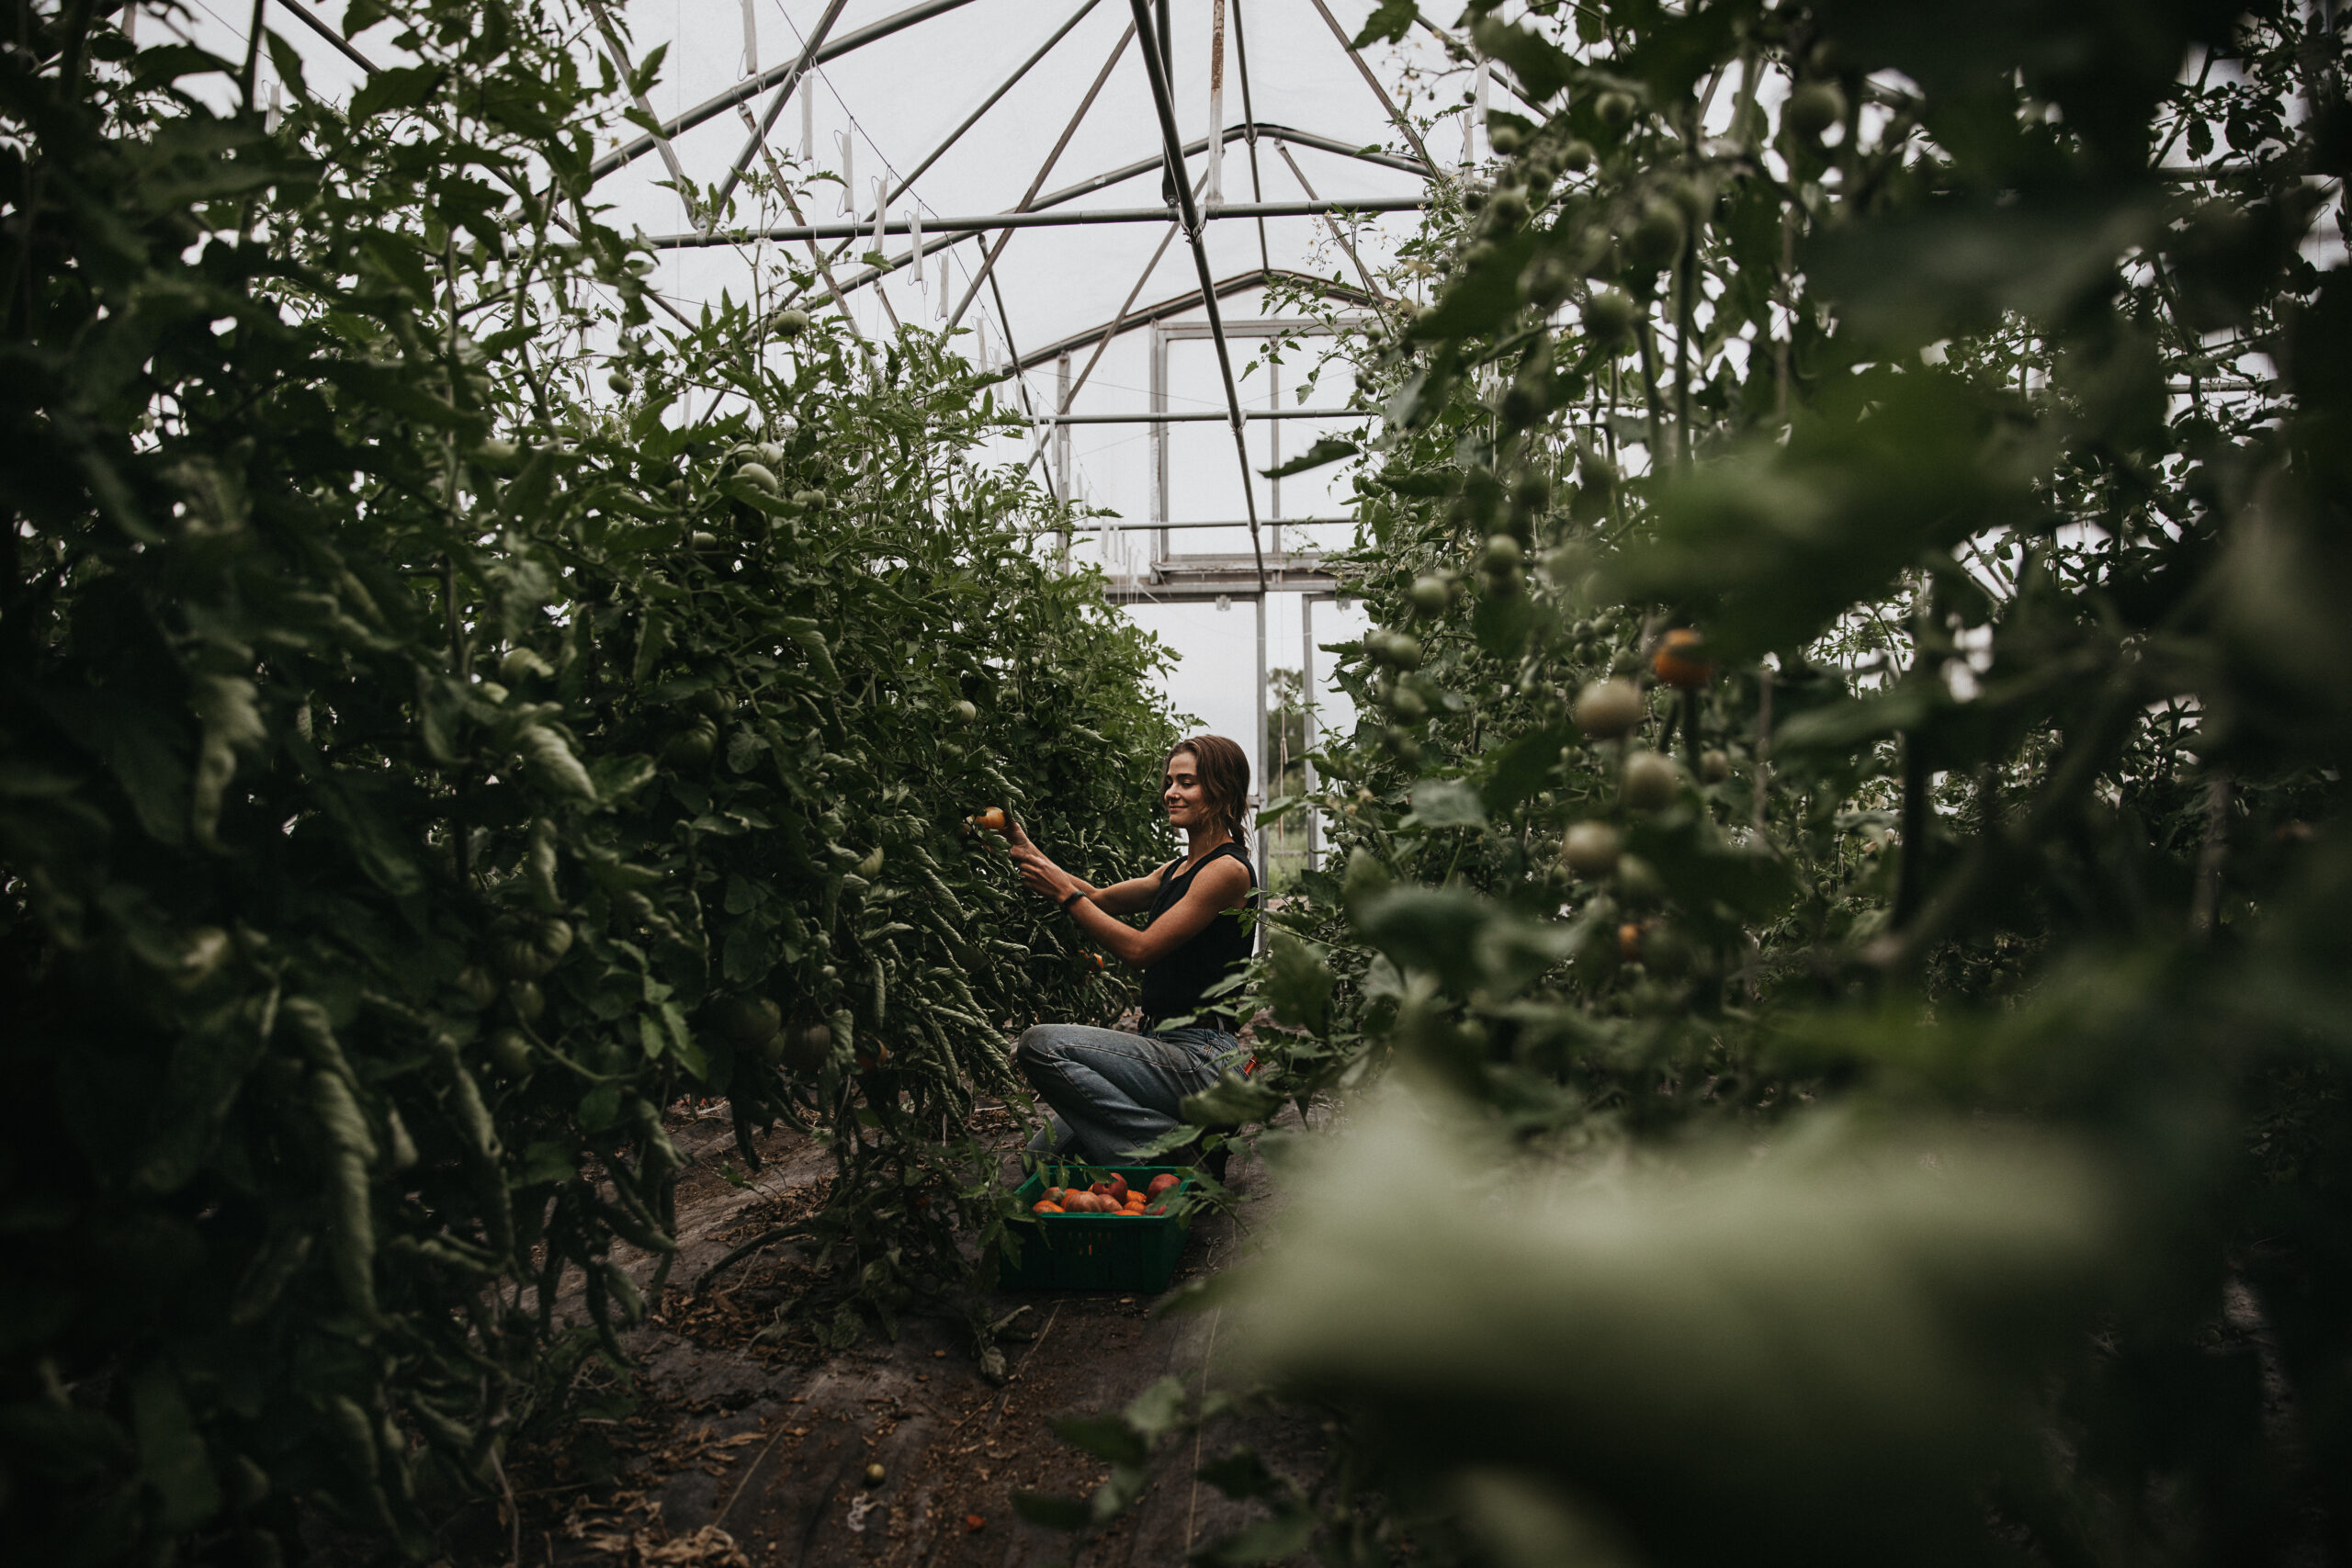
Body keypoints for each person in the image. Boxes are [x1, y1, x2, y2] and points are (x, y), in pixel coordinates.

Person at [1004, 734, 1257, 1170]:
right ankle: (1174, 1138)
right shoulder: (1178, 869)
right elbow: (1100, 897)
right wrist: (1034, 855)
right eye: (1170, 781)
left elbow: (1141, 950)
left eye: (1187, 782)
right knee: (1042, 1159)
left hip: (1203, 1056)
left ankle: (1177, 1158)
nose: (1171, 792)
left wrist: (1064, 896)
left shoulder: (1227, 871)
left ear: (1222, 791)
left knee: (1040, 1045)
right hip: (1160, 1045)